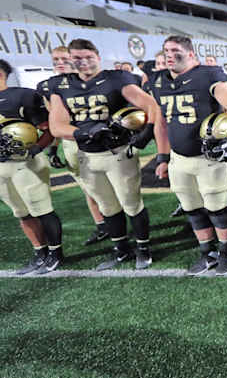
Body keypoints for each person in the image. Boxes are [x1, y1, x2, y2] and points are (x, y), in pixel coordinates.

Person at [48, 39, 169, 270]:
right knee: (106, 206)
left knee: (131, 203)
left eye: (87, 57)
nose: (82, 62)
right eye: (77, 58)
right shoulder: (61, 85)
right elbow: (57, 126)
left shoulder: (116, 78)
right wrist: (86, 131)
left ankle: (143, 248)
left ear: (97, 56)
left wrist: (144, 135)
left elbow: (152, 106)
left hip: (118, 152)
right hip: (87, 155)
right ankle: (121, 250)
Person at [149, 35, 227, 275]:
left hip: (209, 157)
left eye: (175, 50)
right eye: (166, 51)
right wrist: (162, 157)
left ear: (191, 54)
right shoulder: (158, 80)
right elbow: (161, 121)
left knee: (217, 208)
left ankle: (226, 252)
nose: (169, 55)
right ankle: (208, 253)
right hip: (178, 158)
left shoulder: (208, 74)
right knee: (191, 207)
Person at [0, 57, 63, 274]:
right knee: (20, 212)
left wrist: (37, 148)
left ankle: (56, 253)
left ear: (0, 74)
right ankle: (40, 252)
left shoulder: (22, 95)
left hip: (25, 162)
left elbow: (49, 128)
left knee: (42, 210)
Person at [37, 46, 108, 246]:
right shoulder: (48, 86)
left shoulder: (94, 80)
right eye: (55, 59)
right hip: (72, 144)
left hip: (100, 142)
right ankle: (102, 225)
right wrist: (53, 148)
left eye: (64, 58)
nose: (59, 63)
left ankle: (120, 224)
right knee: (87, 188)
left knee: (110, 186)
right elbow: (54, 122)